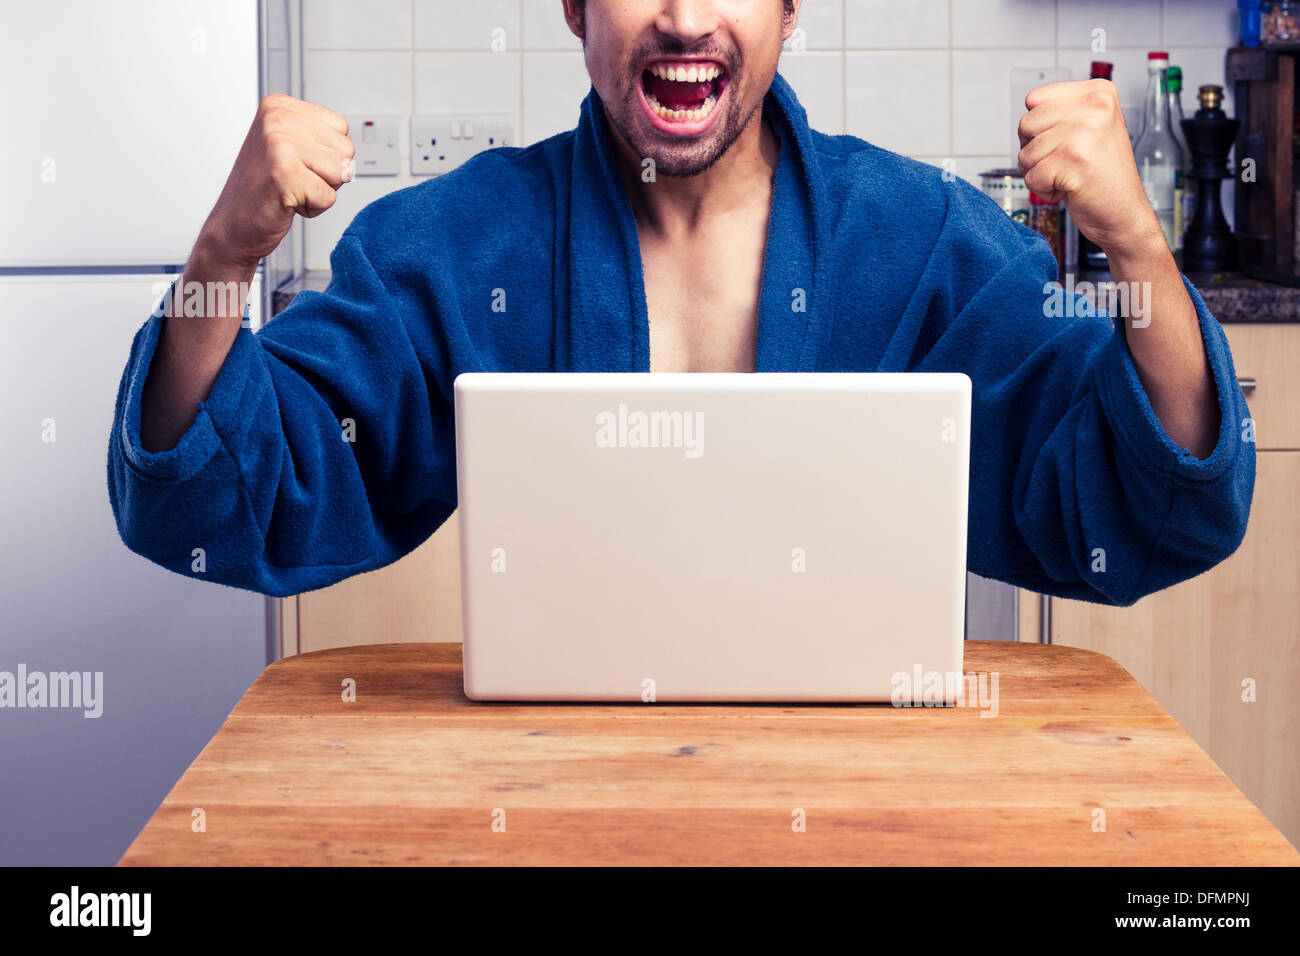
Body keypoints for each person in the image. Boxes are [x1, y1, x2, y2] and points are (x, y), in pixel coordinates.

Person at [109, 0, 1254, 604]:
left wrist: (1138, 251)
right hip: (545, 796)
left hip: (860, 801)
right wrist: (226, 247)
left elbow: (1140, 504)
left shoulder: (922, 241)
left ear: (791, 6)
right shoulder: (455, 247)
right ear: (573, 7)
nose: (686, 15)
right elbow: (219, 503)